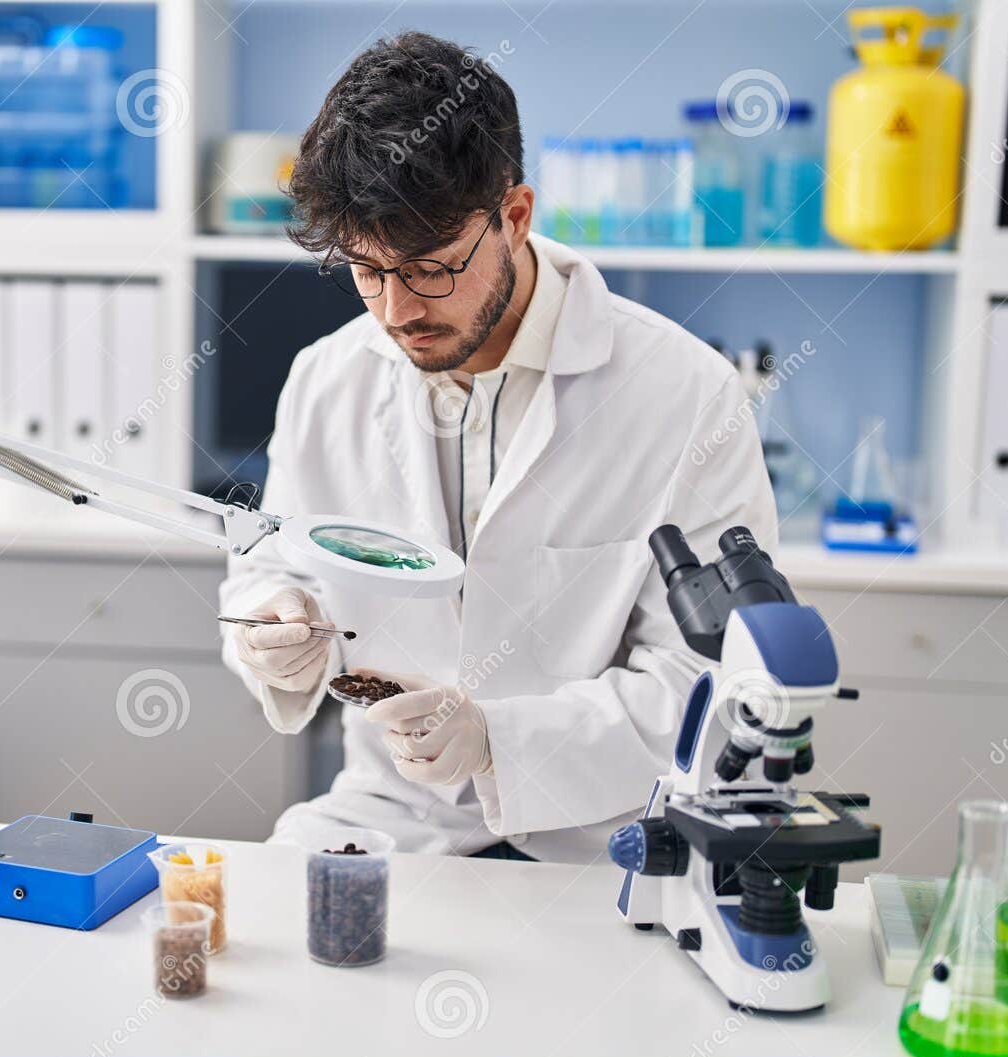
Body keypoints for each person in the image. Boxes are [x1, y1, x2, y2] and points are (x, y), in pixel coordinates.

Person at [219, 32, 776, 863]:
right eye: (366, 272)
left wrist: (499, 742)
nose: (397, 310)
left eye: (432, 269)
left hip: (606, 835)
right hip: (393, 819)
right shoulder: (327, 380)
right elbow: (280, 569)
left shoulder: (683, 394)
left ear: (514, 217)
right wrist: (272, 632)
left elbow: (711, 678)